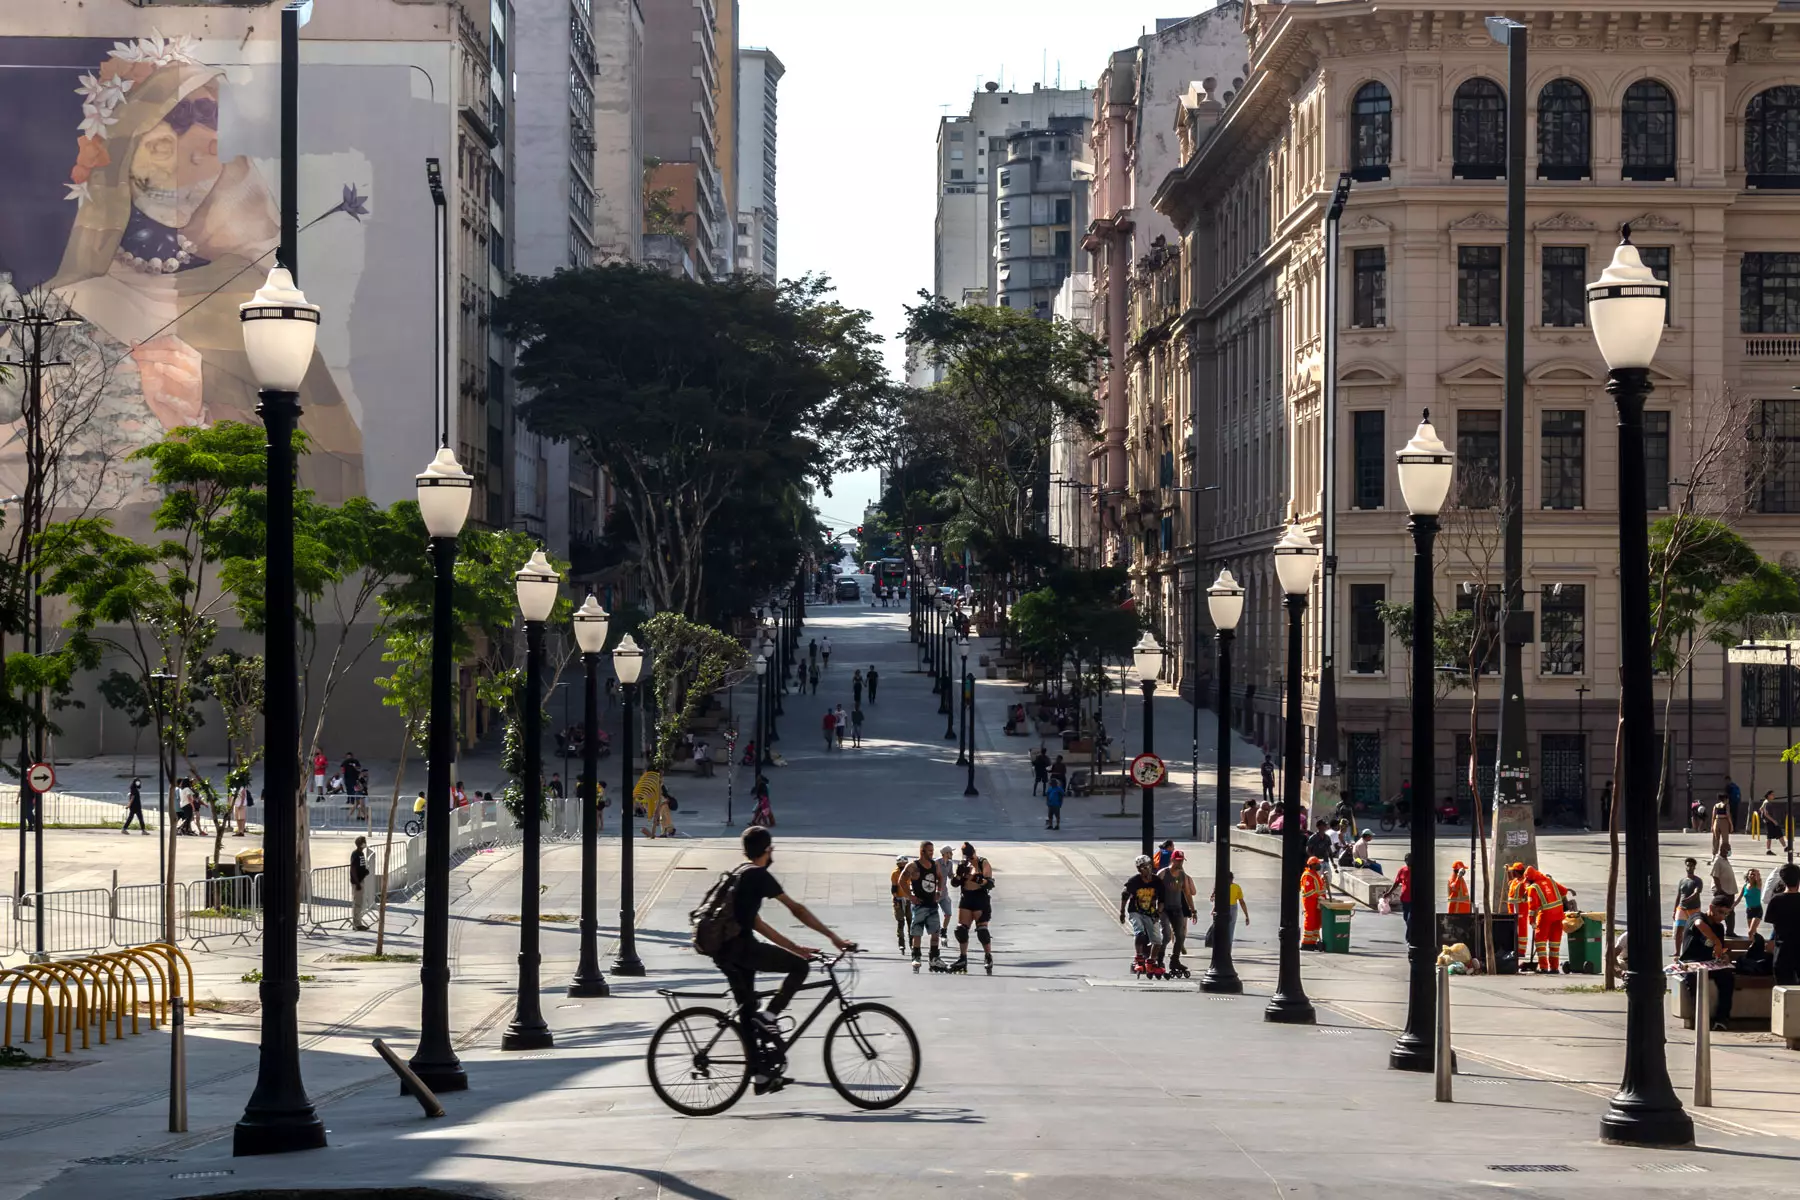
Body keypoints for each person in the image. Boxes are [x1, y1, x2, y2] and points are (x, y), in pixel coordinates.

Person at [708, 826, 854, 1095]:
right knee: (799, 967)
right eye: (771, 848)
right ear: (767, 850)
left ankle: (762, 1075)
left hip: (727, 951)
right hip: (739, 949)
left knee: (748, 1011)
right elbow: (796, 909)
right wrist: (833, 937)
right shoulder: (758, 876)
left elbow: (756, 922)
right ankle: (770, 1016)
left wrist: (793, 946)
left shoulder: (741, 873)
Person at [1678, 892, 1735, 1030]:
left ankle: (1721, 1019)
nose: (1722, 917)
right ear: (1711, 907)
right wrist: (1715, 941)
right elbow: (1699, 924)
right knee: (1694, 979)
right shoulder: (1697, 917)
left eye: (1726, 914)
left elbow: (1720, 950)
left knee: (1727, 978)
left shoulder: (1719, 927)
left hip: (1710, 963)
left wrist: (1723, 957)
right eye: (1720, 912)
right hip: (1691, 962)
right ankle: (1698, 1018)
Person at [900, 840, 948, 971]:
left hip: (932, 904)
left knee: (935, 932)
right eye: (930, 851)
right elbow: (901, 880)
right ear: (922, 852)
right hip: (919, 905)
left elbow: (940, 877)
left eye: (933, 851)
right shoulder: (913, 866)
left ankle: (934, 958)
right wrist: (910, 897)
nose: (932, 853)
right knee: (917, 932)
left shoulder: (935, 864)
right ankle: (916, 957)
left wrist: (939, 891)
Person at [949, 842, 997, 973]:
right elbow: (954, 883)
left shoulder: (983, 863)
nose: (969, 859)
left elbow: (990, 883)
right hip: (966, 898)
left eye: (971, 856)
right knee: (961, 930)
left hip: (980, 899)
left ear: (974, 853)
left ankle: (988, 956)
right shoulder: (963, 865)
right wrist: (959, 875)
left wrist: (975, 878)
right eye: (967, 857)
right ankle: (963, 958)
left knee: (982, 931)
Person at [1119, 855, 1167, 977]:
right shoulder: (1134, 881)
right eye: (1142, 868)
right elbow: (1125, 894)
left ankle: (1151, 961)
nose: (1146, 870)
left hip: (1151, 912)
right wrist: (1122, 912)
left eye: (1148, 867)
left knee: (1157, 941)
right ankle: (1139, 957)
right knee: (1139, 932)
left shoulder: (1157, 881)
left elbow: (1162, 900)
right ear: (1139, 870)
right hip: (1136, 911)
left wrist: (1158, 913)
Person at [1157, 851, 1198, 976]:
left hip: (1177, 908)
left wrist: (1193, 910)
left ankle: (1175, 960)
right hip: (1164, 909)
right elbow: (1154, 890)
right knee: (1166, 935)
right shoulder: (1163, 873)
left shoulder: (1182, 875)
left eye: (1181, 860)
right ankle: (1159, 960)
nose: (1179, 863)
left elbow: (1187, 893)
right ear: (1172, 860)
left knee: (1180, 936)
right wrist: (1156, 907)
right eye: (1178, 860)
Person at [1524, 866, 1567, 973]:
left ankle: (1543, 967)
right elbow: (1564, 891)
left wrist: (1532, 921)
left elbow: (1532, 908)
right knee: (1554, 942)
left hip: (1546, 916)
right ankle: (1554, 968)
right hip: (1558, 915)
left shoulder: (1533, 888)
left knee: (1540, 941)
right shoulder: (1550, 880)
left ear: (1530, 879)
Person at [1765, 863, 1800, 984]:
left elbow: (1774, 925)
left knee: (1784, 990)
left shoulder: (1776, 900)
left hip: (1783, 952)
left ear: (1783, 881)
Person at [1672, 856, 1704, 953]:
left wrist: (1689, 899)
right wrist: (1674, 910)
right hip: (1681, 909)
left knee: (1694, 931)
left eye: (1691, 866)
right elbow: (1678, 896)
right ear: (1685, 867)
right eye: (1688, 866)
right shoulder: (1682, 881)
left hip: (1693, 909)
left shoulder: (1697, 880)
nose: (1689, 868)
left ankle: (1691, 951)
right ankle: (1677, 952)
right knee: (1678, 931)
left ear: (1694, 867)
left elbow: (1696, 892)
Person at [1300, 856, 1327, 950]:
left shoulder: (1315, 874)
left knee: (1316, 922)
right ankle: (1306, 943)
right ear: (1313, 865)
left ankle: (1312, 942)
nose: (1319, 865)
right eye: (1318, 864)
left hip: (1317, 902)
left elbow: (1319, 888)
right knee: (1310, 921)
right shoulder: (1308, 875)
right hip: (1310, 902)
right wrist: (1318, 896)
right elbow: (1308, 891)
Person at [1711, 845, 1738, 936]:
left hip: (1729, 891)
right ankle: (1715, 932)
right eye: (1728, 849)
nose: (1729, 851)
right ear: (1722, 849)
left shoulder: (1725, 860)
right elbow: (1715, 876)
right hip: (1723, 892)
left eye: (1730, 849)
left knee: (1730, 912)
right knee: (1720, 912)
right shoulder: (1718, 860)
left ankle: (1730, 932)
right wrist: (1720, 891)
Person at [1506, 863, 1530, 965]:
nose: (1512, 872)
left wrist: (1525, 894)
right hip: (1512, 910)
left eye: (1513, 871)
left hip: (1520, 910)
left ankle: (1521, 951)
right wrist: (1507, 872)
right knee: (1514, 930)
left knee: (1522, 931)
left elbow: (1528, 889)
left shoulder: (1524, 882)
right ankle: (1514, 948)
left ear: (1517, 872)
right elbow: (1509, 882)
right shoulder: (1515, 881)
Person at [350, 835, 372, 931]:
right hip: (357, 882)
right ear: (360, 844)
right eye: (364, 842)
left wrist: (365, 872)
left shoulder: (361, 854)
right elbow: (353, 869)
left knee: (360, 903)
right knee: (357, 903)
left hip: (361, 880)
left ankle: (359, 922)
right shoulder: (356, 854)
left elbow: (360, 868)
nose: (365, 843)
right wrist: (357, 883)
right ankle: (356, 924)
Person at [890, 854, 910, 949]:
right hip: (899, 899)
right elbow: (894, 888)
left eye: (904, 864)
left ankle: (912, 941)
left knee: (911, 922)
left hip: (909, 899)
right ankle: (901, 942)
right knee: (900, 921)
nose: (902, 866)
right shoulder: (895, 873)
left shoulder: (911, 873)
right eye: (900, 864)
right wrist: (896, 898)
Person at [938, 844, 957, 934]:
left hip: (944, 893)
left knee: (948, 913)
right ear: (946, 853)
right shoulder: (936, 863)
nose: (952, 854)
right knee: (932, 914)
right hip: (935, 893)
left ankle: (943, 930)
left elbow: (950, 876)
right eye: (951, 853)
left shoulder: (949, 863)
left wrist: (958, 876)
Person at [1393, 855, 1414, 935]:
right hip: (1405, 899)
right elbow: (1396, 883)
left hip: (1414, 900)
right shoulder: (1403, 870)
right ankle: (1411, 934)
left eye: (1410, 860)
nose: (1408, 862)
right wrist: (1388, 893)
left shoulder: (1418, 871)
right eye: (1407, 860)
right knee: (1406, 918)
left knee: (1410, 919)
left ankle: (1409, 937)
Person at [1742, 867, 1765, 939]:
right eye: (1751, 874)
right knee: (1753, 933)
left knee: (1751, 932)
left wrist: (1756, 872)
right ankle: (1755, 945)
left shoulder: (1758, 885)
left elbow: (1759, 878)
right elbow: (1738, 899)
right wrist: (1732, 906)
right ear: (1748, 875)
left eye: (1754, 875)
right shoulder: (1745, 886)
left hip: (1757, 910)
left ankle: (1758, 945)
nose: (1752, 876)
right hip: (1749, 910)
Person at [1761, 790, 1785, 855]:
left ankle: (1785, 847)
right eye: (1772, 795)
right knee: (1773, 835)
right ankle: (1769, 850)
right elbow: (1766, 814)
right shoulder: (1767, 803)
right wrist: (1773, 821)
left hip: (1768, 821)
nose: (1773, 796)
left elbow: (1761, 809)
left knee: (1775, 834)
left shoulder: (1765, 802)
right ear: (1768, 795)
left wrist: (1763, 817)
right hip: (1770, 822)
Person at [1712, 792, 1734, 856]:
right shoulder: (1726, 805)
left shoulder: (1716, 805)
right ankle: (1725, 854)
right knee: (1725, 840)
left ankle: (1714, 854)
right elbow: (1728, 815)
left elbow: (1713, 816)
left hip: (1716, 821)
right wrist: (1731, 824)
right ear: (1725, 799)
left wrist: (1712, 825)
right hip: (1724, 821)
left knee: (1716, 839)